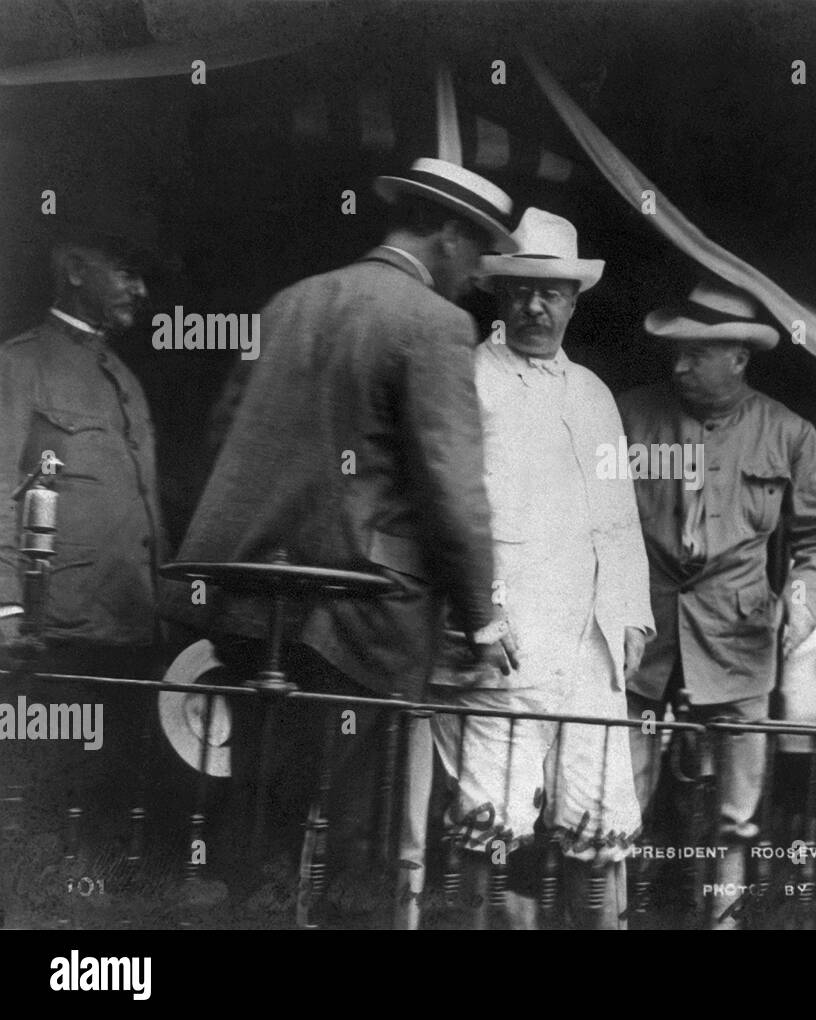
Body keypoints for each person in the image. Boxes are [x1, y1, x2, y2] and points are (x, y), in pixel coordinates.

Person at [162, 158, 519, 899]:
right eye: (481, 253)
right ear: (449, 236)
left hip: (254, 601)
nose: (481, 275)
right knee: (356, 832)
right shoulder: (436, 325)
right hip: (364, 615)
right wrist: (482, 622)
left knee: (257, 796)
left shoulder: (290, 302)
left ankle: (238, 911)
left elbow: (224, 438)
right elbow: (453, 490)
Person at [400, 208, 653, 930]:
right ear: (498, 296)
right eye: (520, 291)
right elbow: (446, 511)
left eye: (552, 293)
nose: (536, 306)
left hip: (590, 647)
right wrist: (478, 614)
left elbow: (618, 519)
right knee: (489, 816)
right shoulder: (470, 382)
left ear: (575, 300)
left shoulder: (594, 395)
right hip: (501, 643)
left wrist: (631, 613)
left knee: (596, 821)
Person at [618, 279, 816, 927]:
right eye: (676, 351)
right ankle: (611, 920)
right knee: (617, 797)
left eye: (697, 352)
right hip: (641, 641)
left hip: (740, 640)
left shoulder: (789, 434)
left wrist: (800, 607)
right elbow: (596, 522)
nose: (679, 364)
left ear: (740, 358)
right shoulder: (630, 416)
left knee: (736, 818)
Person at [0, 214, 165, 854]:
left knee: (111, 787)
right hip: (54, 627)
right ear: (74, 268)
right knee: (46, 786)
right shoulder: (19, 366)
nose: (141, 289)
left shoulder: (124, 379)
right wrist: (7, 604)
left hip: (128, 622)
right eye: (125, 271)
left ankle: (101, 894)